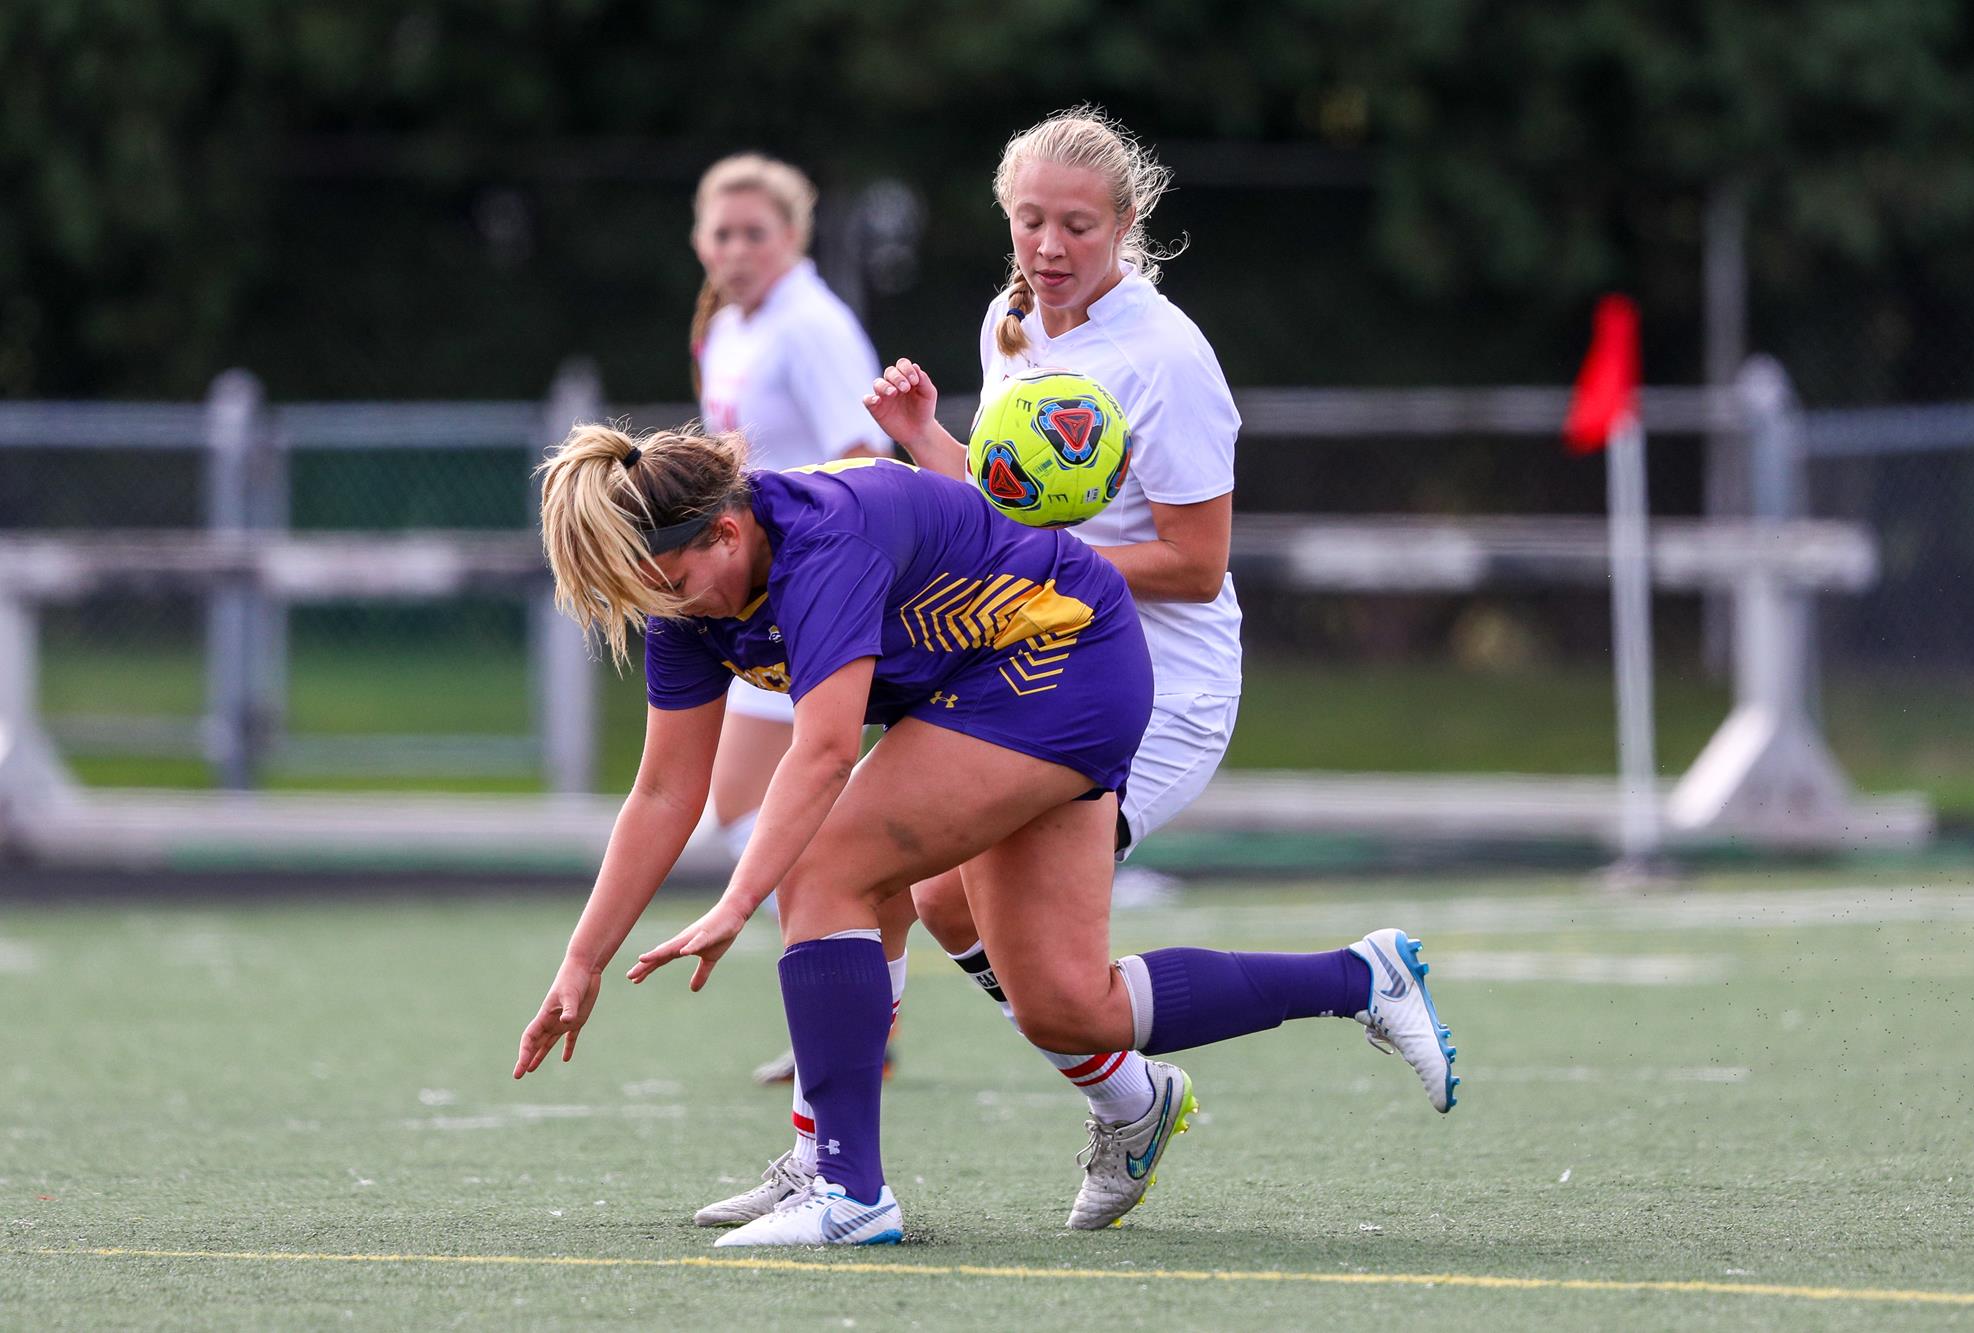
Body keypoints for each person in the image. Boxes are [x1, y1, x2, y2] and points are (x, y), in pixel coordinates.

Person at [514, 426, 1459, 1249]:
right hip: (993, 683)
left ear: (726, 530)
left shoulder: (820, 539)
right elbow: (664, 790)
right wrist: (582, 959)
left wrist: (735, 902)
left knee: (827, 869)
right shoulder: (691, 590)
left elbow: (827, 749)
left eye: (673, 585)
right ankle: (1363, 978)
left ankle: (844, 1185)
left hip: (1068, 658)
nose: (668, 611)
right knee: (1067, 1005)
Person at [706, 106, 1251, 1233]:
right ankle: (845, 1152)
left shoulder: (1166, 359)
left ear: (1127, 224)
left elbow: (1195, 568)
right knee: (900, 888)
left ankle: (1328, 993)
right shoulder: (1011, 324)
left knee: (1015, 958)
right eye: (1028, 221)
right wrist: (926, 440)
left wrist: (1047, 565)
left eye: (1077, 227)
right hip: (1028, 655)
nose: (1048, 249)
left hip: (1154, 683)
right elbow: (1009, 511)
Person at [684, 153, 911, 1097]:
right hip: (759, 594)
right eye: (720, 233)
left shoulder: (812, 324)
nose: (735, 250)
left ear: (794, 237)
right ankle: (855, 998)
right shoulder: (729, 323)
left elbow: (868, 452)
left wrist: (825, 574)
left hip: (814, 592)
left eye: (755, 233)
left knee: (789, 818)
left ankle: (856, 999)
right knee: (752, 812)